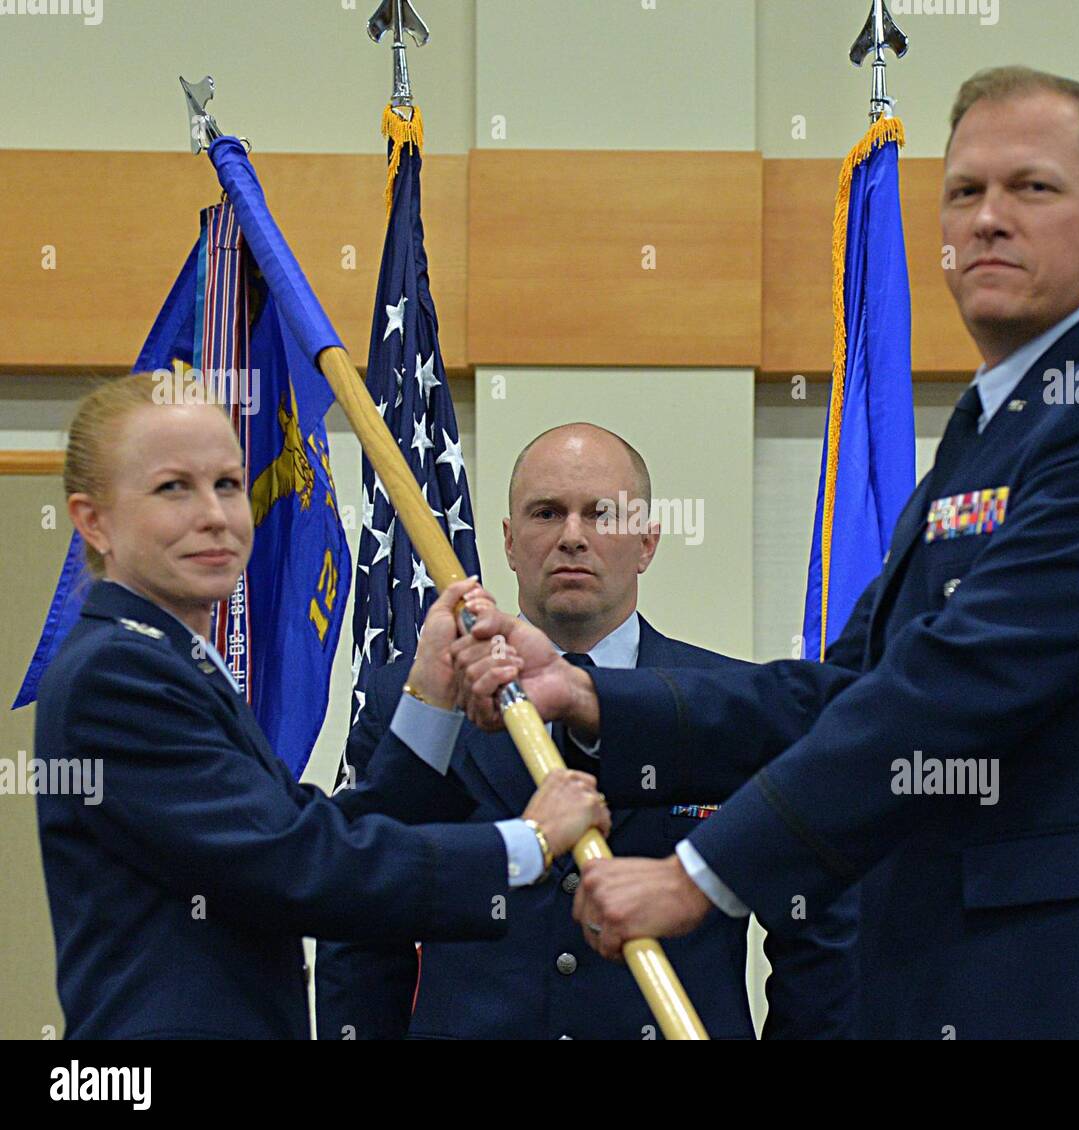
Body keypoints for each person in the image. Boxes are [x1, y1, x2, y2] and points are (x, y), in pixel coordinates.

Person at [452, 69, 1079, 1039]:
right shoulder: (985, 436)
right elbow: (838, 695)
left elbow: (955, 685)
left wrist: (698, 873)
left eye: (1032, 187)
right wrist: (592, 696)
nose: (988, 219)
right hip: (949, 990)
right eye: (964, 192)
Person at [33, 374, 609, 1039]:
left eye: (226, 483)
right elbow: (294, 865)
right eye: (173, 488)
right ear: (92, 520)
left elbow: (309, 834)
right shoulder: (119, 672)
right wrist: (527, 845)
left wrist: (432, 693)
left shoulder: (171, 661)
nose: (215, 515)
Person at [316, 422, 858, 1039]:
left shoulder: (731, 707)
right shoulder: (413, 699)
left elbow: (815, 925)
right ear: (510, 542)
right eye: (547, 513)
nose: (573, 536)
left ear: (648, 542)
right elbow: (361, 919)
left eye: (602, 514)